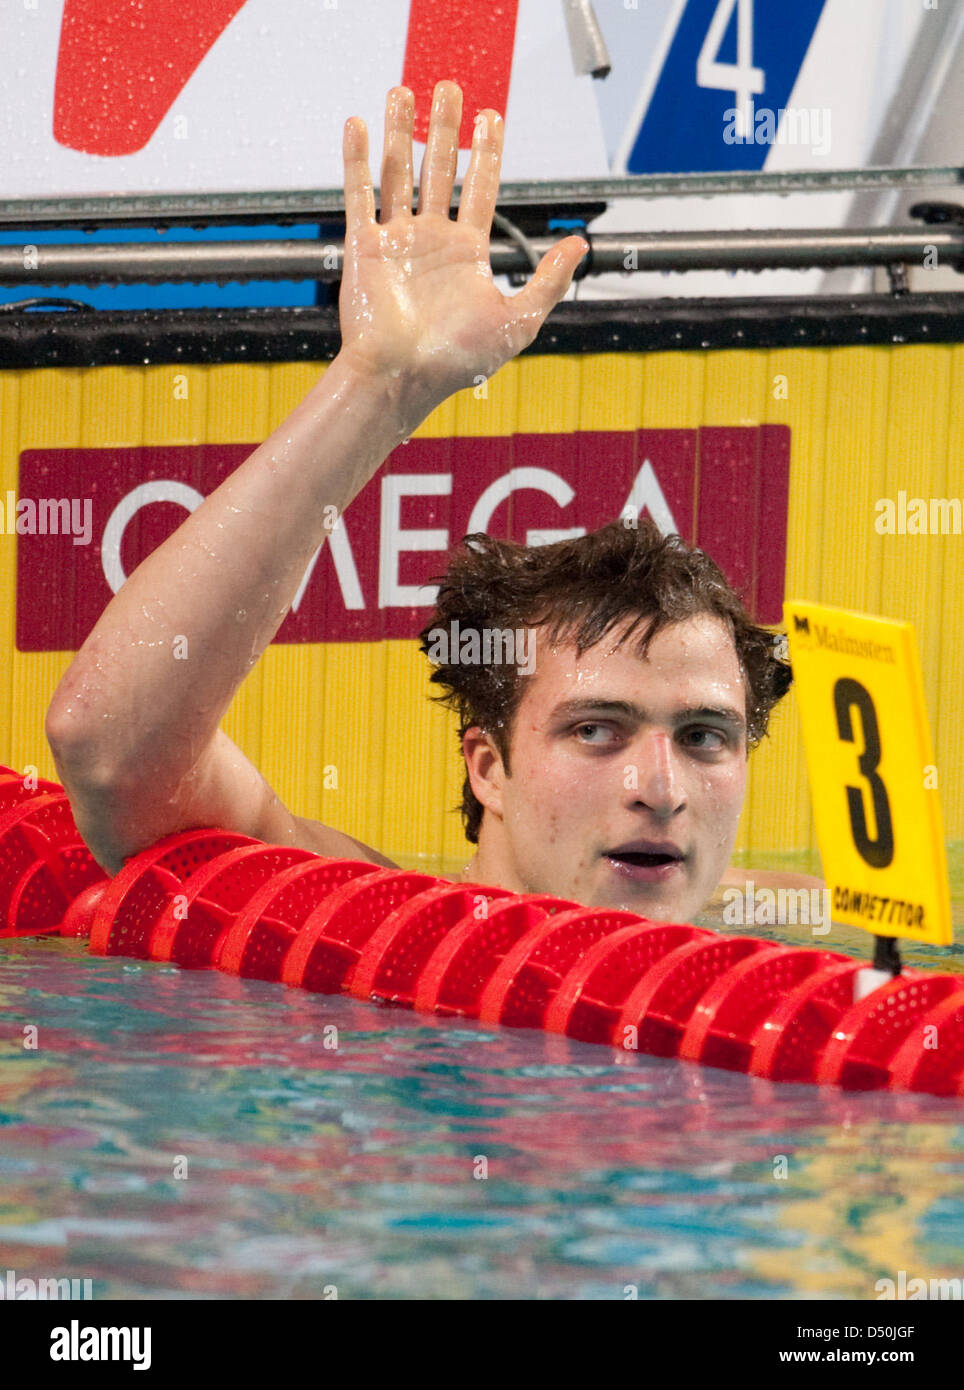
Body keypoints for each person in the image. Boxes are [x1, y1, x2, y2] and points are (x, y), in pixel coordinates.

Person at [45, 80, 815, 925]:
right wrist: (379, 387)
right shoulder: (369, 929)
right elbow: (111, 750)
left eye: (705, 737)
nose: (660, 791)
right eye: (596, 730)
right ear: (487, 767)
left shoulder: (786, 930)